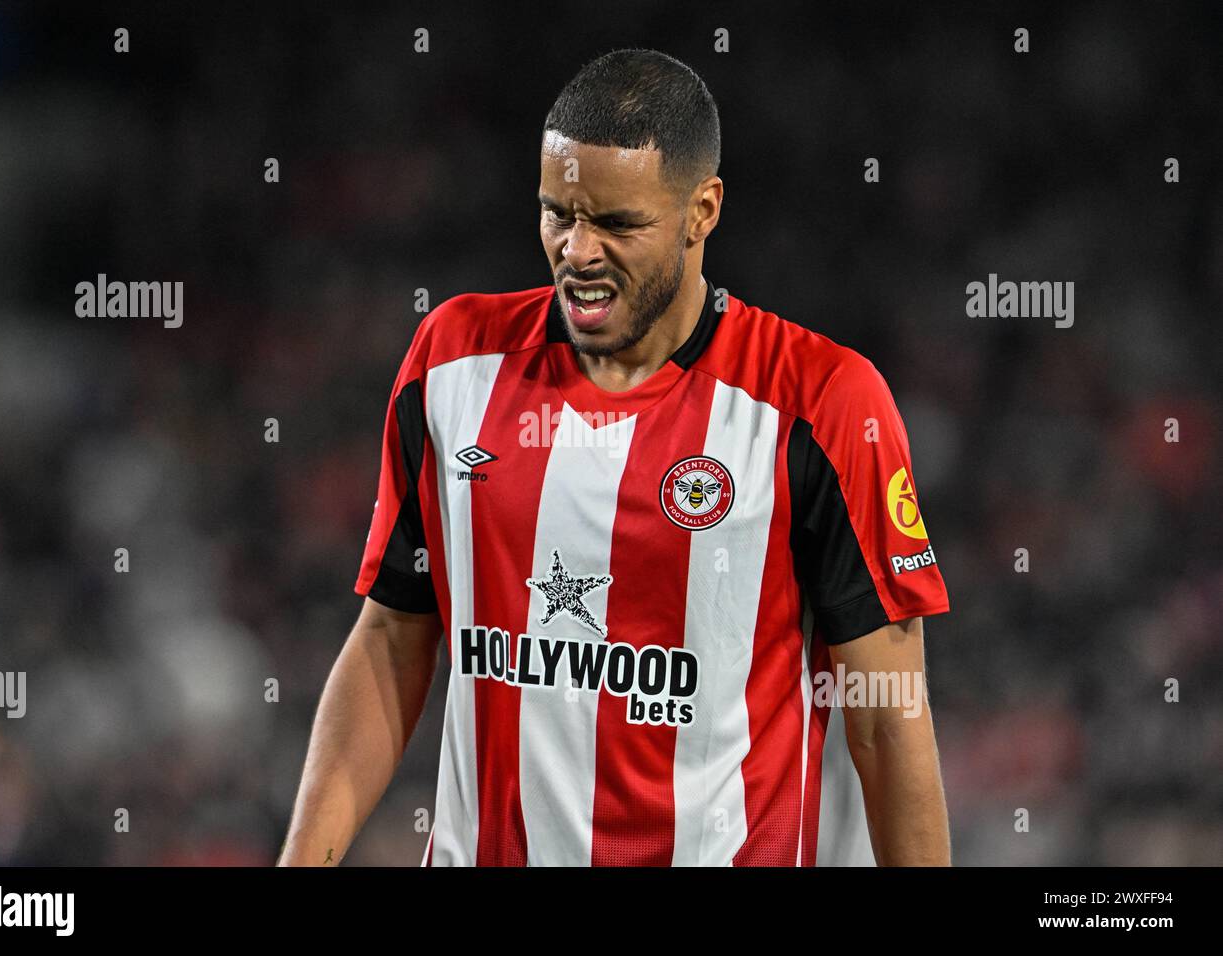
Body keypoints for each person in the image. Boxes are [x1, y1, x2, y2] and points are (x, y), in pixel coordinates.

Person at [280, 48, 951, 867]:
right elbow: (390, 639)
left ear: (702, 210)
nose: (578, 251)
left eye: (617, 223)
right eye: (558, 213)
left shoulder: (822, 402)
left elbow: (885, 714)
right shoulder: (453, 361)